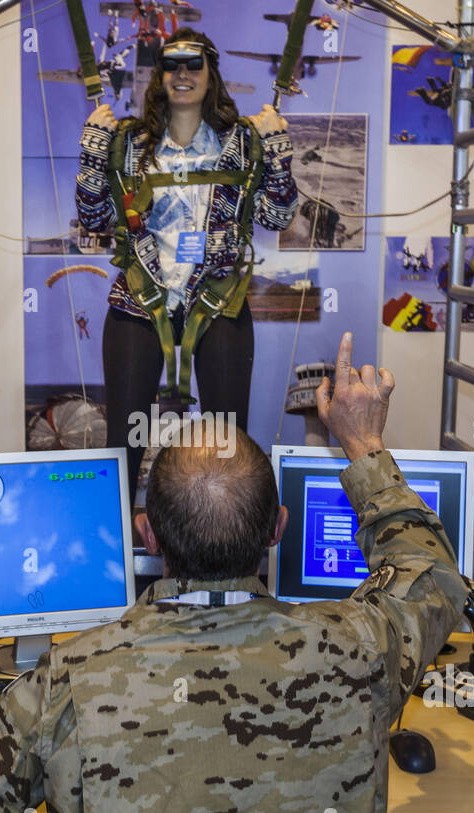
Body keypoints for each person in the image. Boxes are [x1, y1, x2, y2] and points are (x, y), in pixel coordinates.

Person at [0, 331, 470, 813]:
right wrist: (362, 443)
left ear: (146, 533)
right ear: (277, 528)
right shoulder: (363, 651)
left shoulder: (68, 683)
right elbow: (433, 578)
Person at [76, 28, 298, 494]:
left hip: (217, 301)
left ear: (210, 72)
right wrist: (93, 154)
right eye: (170, 64)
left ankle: (222, 549)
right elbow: (94, 215)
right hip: (141, 299)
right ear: (159, 75)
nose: (181, 74)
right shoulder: (130, 143)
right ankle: (117, 546)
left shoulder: (240, 142)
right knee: (126, 439)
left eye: (192, 64)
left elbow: (276, 216)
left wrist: (278, 154)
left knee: (226, 442)